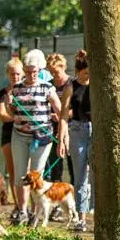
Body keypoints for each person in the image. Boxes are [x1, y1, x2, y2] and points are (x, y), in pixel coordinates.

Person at [0, 49, 65, 225]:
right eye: (28, 72)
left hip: (42, 137)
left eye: (34, 71)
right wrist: (10, 105)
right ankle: (22, 210)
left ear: (39, 70)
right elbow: (13, 112)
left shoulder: (47, 87)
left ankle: (35, 215)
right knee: (20, 175)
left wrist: (62, 132)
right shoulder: (17, 88)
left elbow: (59, 110)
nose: (31, 75)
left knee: (37, 175)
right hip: (20, 135)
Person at [63, 50, 94, 231]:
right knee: (80, 176)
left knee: (96, 175)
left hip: (95, 131)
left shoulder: (96, 85)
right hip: (77, 130)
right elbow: (63, 114)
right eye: (85, 73)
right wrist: (62, 135)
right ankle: (81, 218)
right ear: (78, 71)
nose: (88, 77)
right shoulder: (71, 86)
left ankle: (98, 215)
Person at [0, 59, 23, 187]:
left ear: (22, 73)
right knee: (13, 172)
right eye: (12, 74)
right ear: (7, 74)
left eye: (18, 74)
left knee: (25, 171)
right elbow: (2, 115)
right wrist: (14, 118)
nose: (15, 77)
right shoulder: (2, 94)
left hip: (25, 132)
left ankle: (29, 199)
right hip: (9, 133)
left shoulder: (28, 91)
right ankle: (16, 199)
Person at [45, 53, 70, 183]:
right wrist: (51, 116)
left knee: (73, 164)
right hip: (52, 129)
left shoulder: (71, 83)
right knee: (55, 164)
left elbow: (78, 109)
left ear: (63, 67)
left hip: (71, 127)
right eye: (51, 73)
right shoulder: (48, 86)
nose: (54, 75)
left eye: (56, 72)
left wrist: (63, 116)